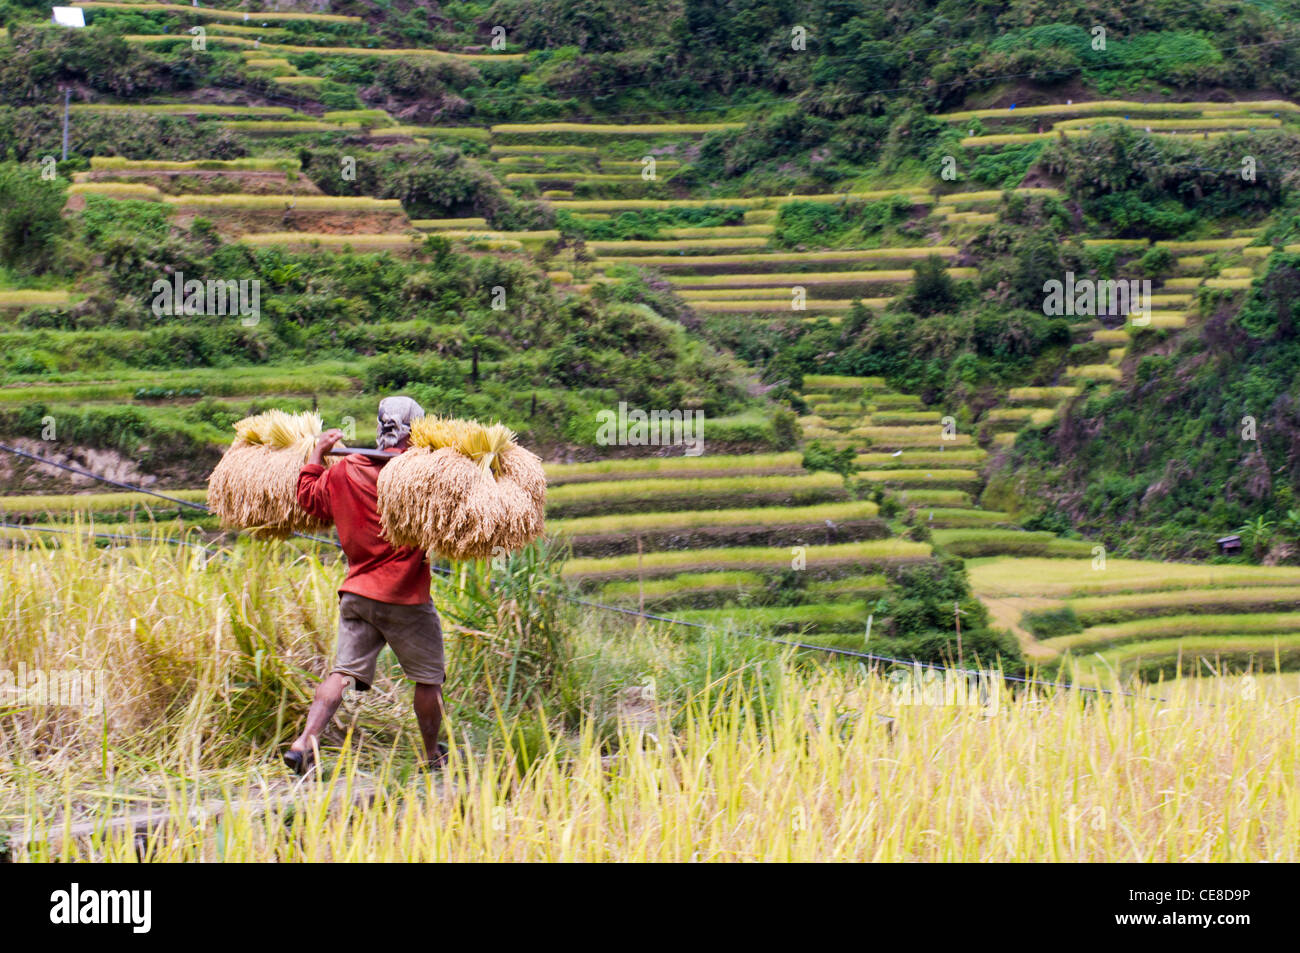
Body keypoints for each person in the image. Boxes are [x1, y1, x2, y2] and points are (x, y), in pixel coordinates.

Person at [284, 396, 447, 774]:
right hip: (406, 598)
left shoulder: (345, 470)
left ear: (379, 429)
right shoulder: (421, 475)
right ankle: (429, 756)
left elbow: (309, 499)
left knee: (342, 673)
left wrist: (317, 454)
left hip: (357, 594)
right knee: (428, 678)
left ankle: (304, 741)